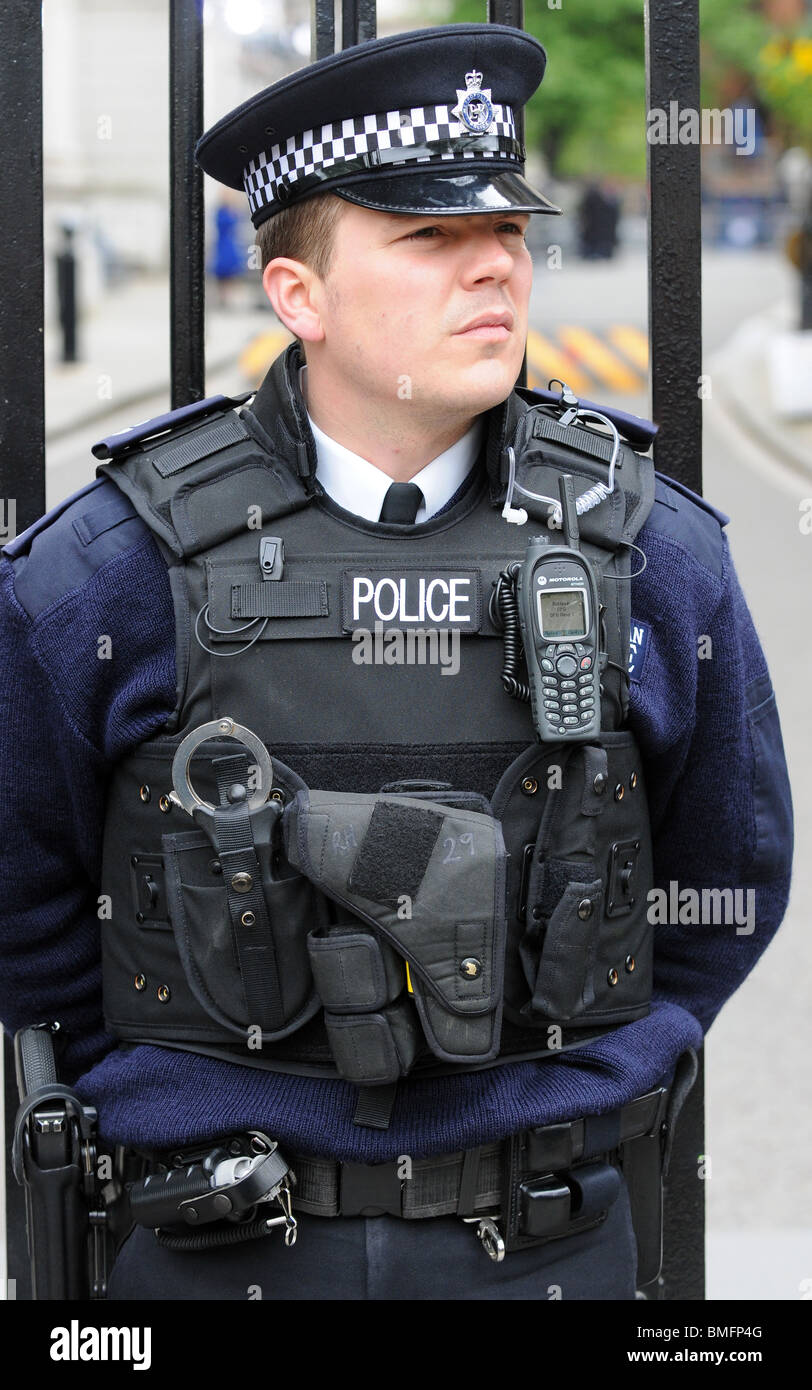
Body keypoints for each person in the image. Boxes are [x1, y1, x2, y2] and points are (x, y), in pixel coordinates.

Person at [0, 23, 793, 1302]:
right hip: (213, 1248)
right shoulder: (110, 568)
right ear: (296, 294)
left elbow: (728, 872)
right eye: (428, 238)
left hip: (543, 1244)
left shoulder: (654, 555)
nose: (494, 268)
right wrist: (180, 1080)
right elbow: (22, 892)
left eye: (506, 236)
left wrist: (571, 1065)